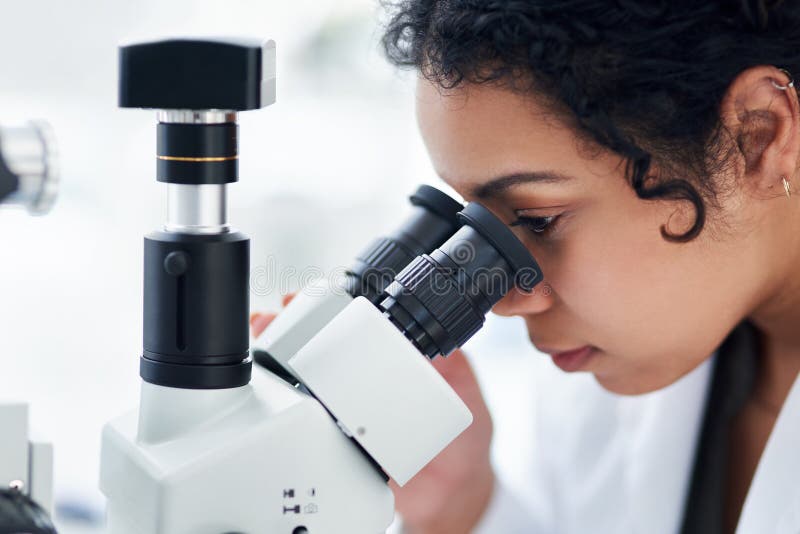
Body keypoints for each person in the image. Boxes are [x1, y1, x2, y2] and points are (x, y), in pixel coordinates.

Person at [252, 1, 800, 532]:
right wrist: (463, 508)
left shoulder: (636, 337)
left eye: (538, 219)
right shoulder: (605, 381)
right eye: (469, 225)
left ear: (756, 136)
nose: (507, 300)